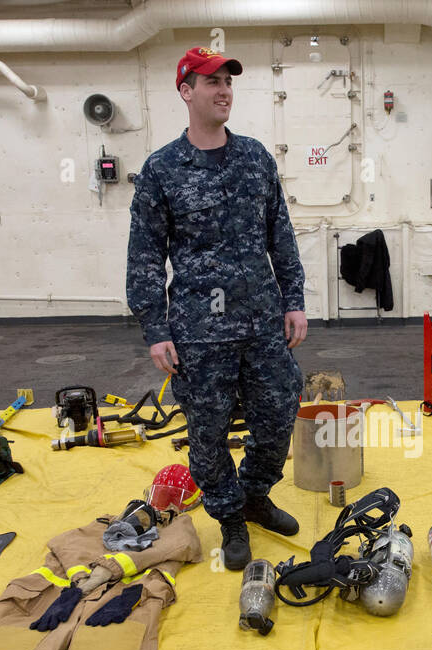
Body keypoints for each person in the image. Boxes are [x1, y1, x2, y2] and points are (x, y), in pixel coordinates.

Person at [126, 45, 308, 571]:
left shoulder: (255, 157)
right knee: (207, 433)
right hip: (198, 330)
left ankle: (254, 495)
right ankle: (228, 515)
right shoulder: (162, 169)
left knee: (277, 416)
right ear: (186, 92)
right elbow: (145, 256)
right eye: (211, 81)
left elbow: (281, 233)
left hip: (262, 321)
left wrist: (293, 299)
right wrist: (155, 329)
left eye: (227, 80)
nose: (223, 88)